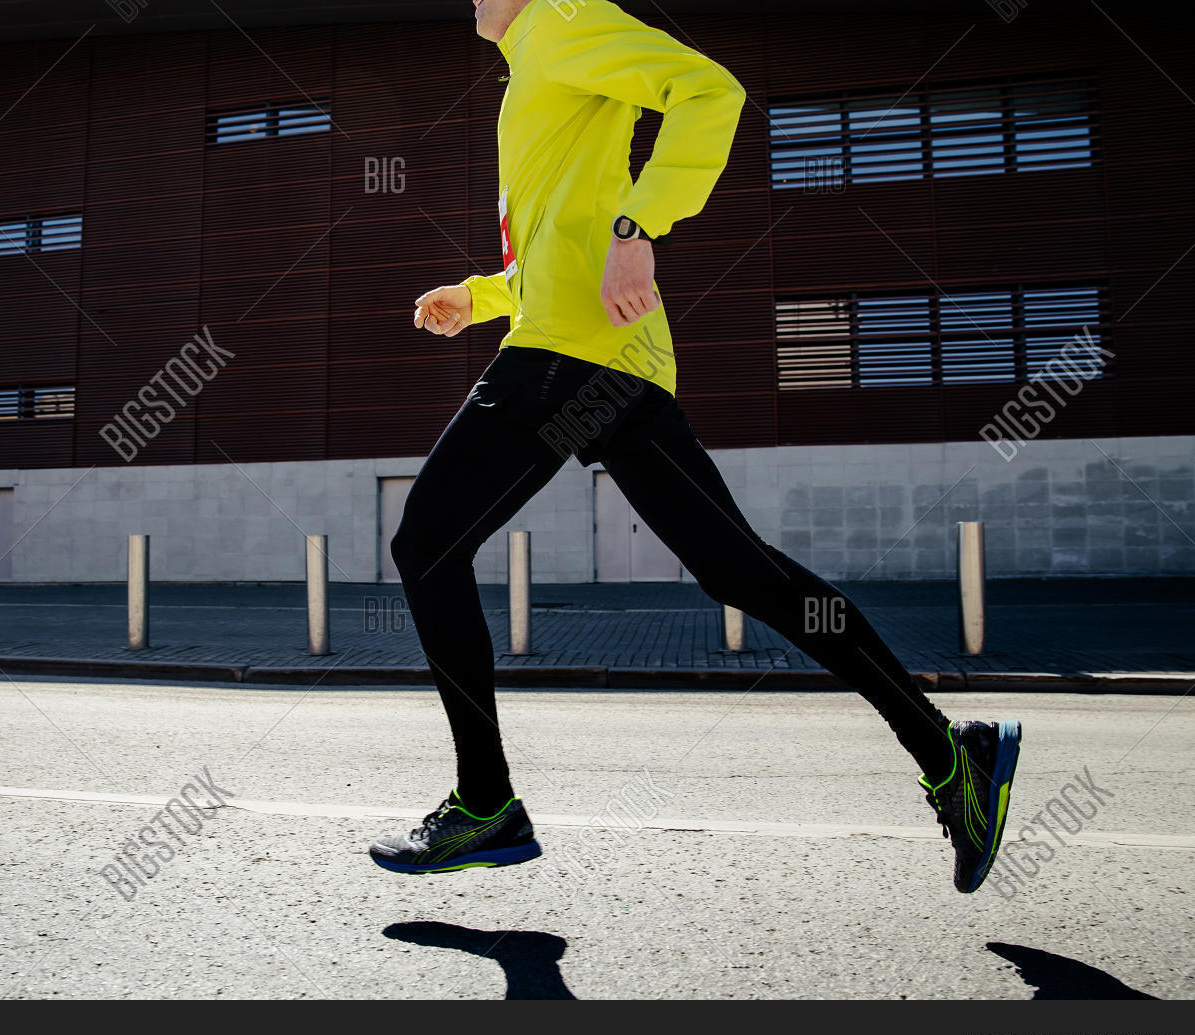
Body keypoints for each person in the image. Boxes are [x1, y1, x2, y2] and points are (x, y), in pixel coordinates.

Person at [368, 0, 1021, 893]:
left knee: (427, 542)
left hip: (568, 357)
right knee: (742, 572)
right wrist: (479, 295)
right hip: (612, 363)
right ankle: (950, 752)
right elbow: (565, 241)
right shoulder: (536, 64)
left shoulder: (560, 21)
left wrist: (643, 226)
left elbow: (710, 89)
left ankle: (486, 802)